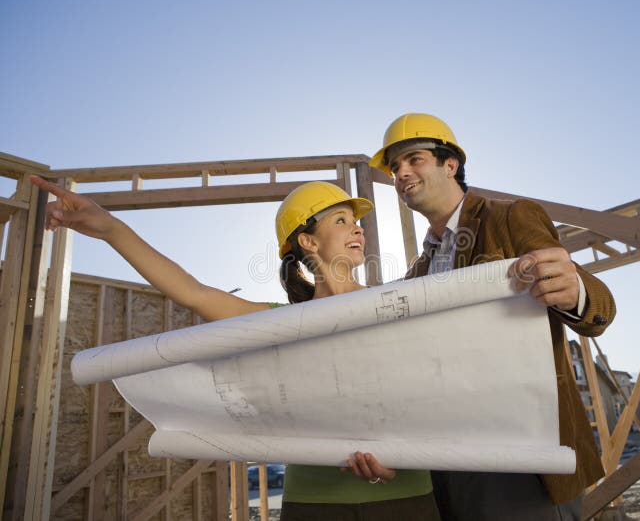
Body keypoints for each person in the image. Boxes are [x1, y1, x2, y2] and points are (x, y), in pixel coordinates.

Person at [30, 176, 440, 521]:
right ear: (308, 242)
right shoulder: (280, 324)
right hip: (317, 504)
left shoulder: (395, 304)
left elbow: (436, 391)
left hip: (407, 495)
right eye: (341, 220)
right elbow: (193, 293)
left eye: (357, 221)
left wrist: (401, 458)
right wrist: (110, 228)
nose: (358, 229)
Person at [369, 113, 616, 521]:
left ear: (451, 164)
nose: (401, 173)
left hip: (520, 457)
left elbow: (597, 306)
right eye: (395, 167)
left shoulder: (509, 217)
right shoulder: (419, 271)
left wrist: (575, 291)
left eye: (414, 159)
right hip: (448, 459)